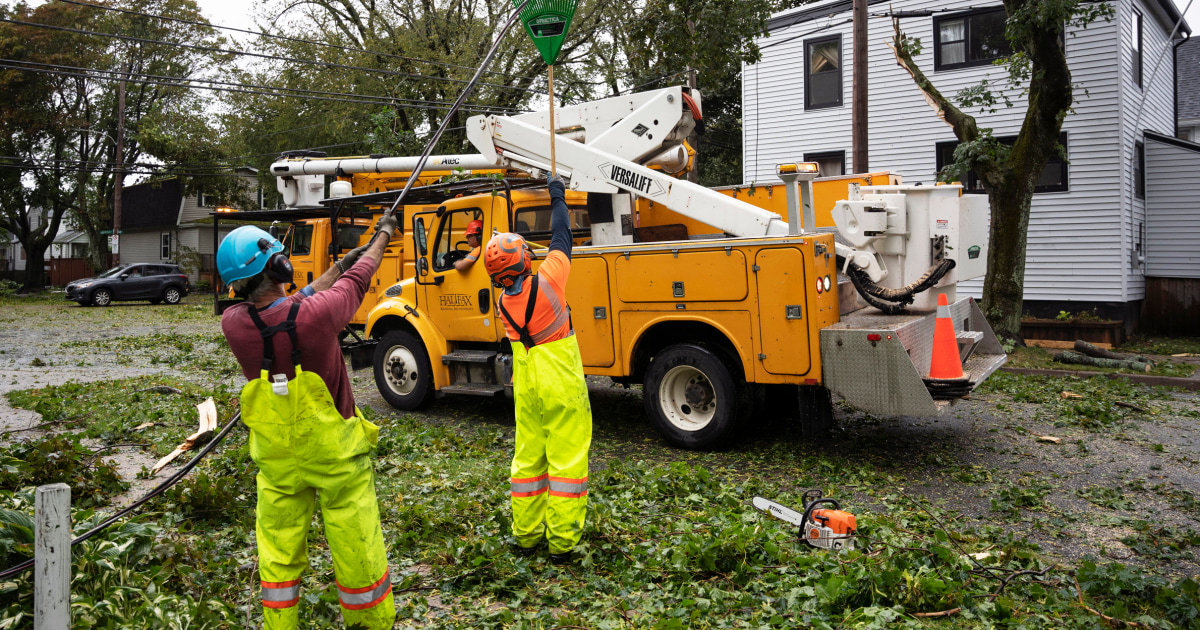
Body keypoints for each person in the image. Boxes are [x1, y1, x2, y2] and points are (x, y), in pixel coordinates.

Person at [216, 217, 399, 630]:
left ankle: (281, 624)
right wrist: (381, 236)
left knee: (278, 549)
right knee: (356, 544)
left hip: (278, 459)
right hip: (334, 454)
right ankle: (369, 622)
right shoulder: (317, 317)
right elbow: (358, 280)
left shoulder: (234, 324)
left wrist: (337, 266)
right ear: (278, 266)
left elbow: (292, 305)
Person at [484, 175, 592, 564]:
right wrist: (557, 194)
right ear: (525, 260)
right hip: (559, 377)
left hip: (526, 383)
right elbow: (563, 235)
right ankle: (562, 543)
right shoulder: (550, 281)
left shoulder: (502, 303)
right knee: (566, 460)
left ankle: (527, 535)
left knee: (529, 457)